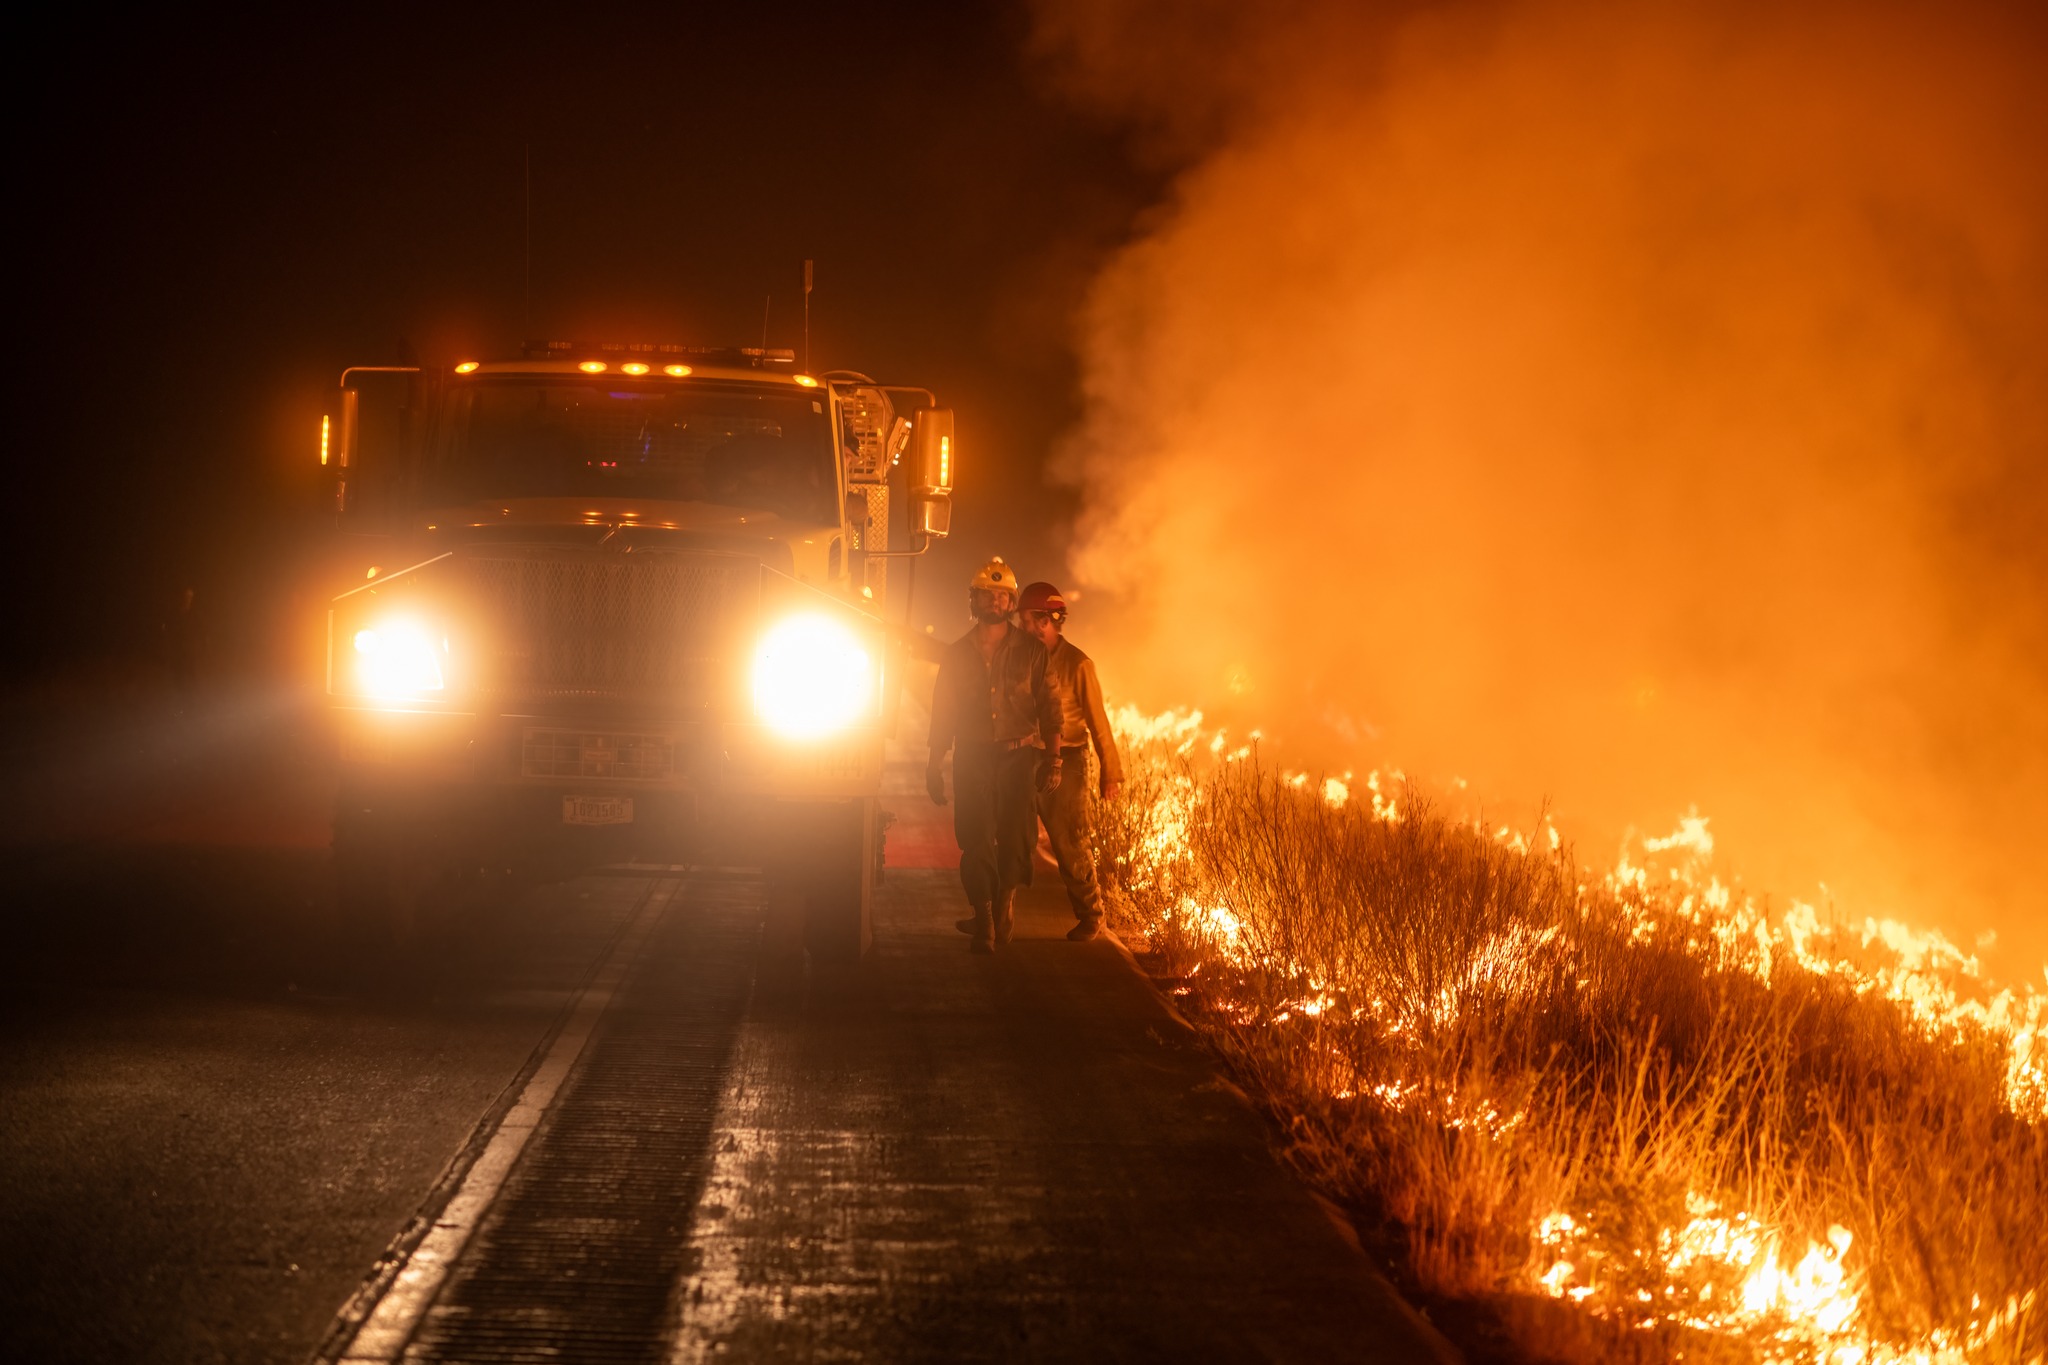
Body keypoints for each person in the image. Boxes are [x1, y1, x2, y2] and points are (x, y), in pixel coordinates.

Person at [926, 557, 1063, 954]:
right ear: (974, 601)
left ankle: (1005, 900)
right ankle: (984, 917)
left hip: (1018, 758)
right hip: (972, 757)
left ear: (1011, 602)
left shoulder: (1033, 653)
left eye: (1001, 596)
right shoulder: (956, 654)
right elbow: (942, 712)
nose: (994, 602)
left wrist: (1054, 760)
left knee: (1016, 838)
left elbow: (1051, 709)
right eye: (987, 595)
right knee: (975, 836)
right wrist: (934, 763)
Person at [1016, 581, 1124, 941]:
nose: (1023, 626)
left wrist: (1111, 771)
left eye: (1030, 619)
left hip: (1069, 759)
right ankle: (1000, 918)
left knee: (1069, 841)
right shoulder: (1019, 657)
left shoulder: (1078, 664)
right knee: (1011, 837)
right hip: (1021, 754)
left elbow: (1098, 721)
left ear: (1048, 620)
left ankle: (1091, 915)